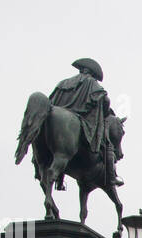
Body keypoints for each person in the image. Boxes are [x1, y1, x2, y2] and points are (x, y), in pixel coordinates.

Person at [49, 57, 123, 187]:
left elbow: (51, 102)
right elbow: (105, 100)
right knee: (108, 146)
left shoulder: (64, 83)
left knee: (59, 149)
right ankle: (112, 178)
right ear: (92, 74)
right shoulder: (91, 83)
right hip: (83, 119)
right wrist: (105, 111)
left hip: (53, 123)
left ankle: (59, 178)